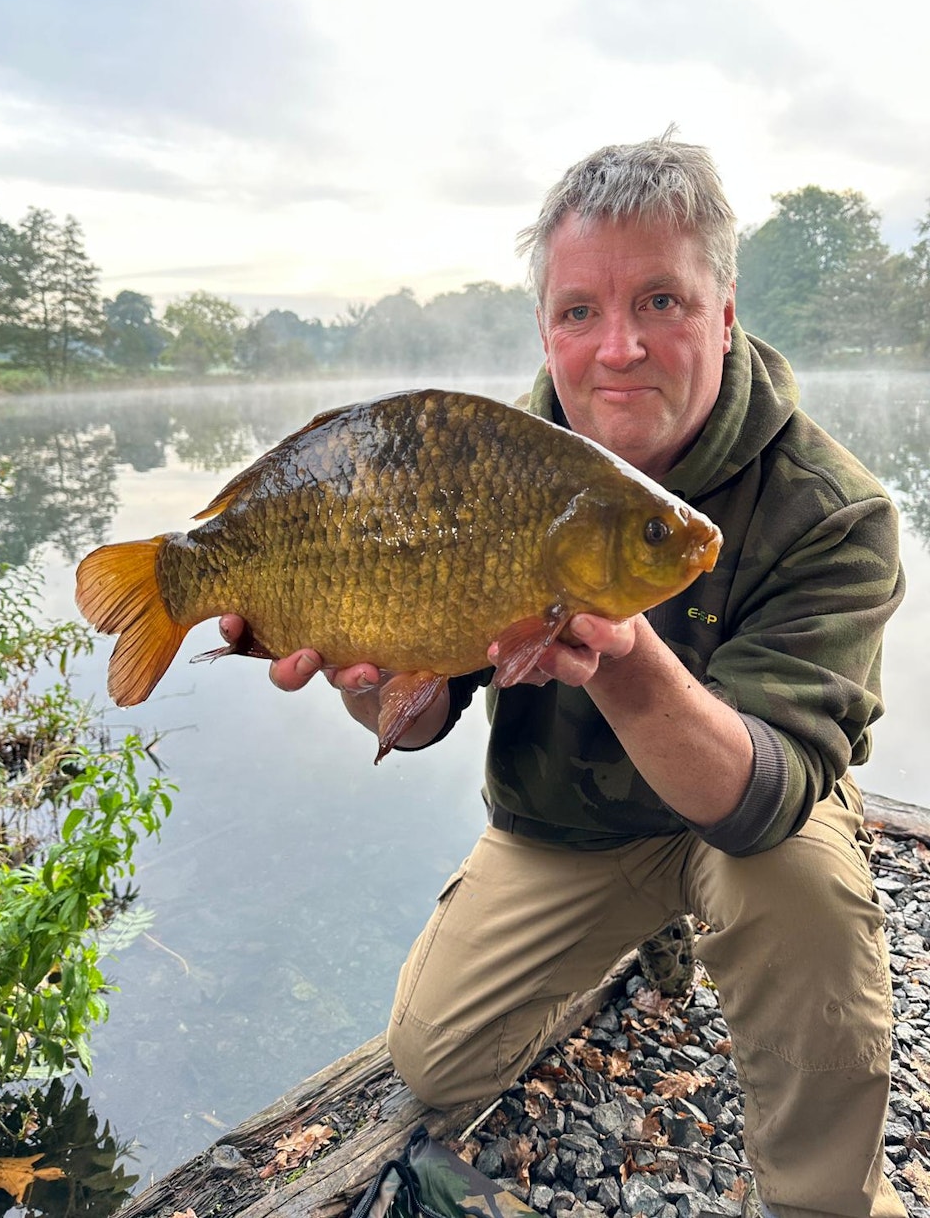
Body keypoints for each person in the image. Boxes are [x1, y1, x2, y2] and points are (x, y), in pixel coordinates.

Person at [221, 136, 905, 1218]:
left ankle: (825, 1201)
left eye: (661, 301)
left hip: (754, 818)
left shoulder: (833, 510)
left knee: (802, 894)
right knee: (432, 1062)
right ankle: (641, 937)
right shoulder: (487, 458)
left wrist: (627, 666)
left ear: (723, 314)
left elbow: (768, 790)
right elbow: (415, 711)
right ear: (546, 328)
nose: (617, 347)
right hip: (571, 821)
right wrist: (368, 674)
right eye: (579, 311)